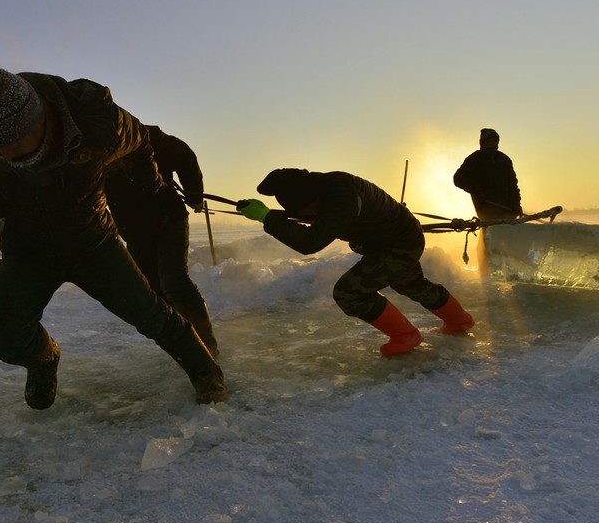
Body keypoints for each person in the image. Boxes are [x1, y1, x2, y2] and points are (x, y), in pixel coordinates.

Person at [0, 59, 226, 410]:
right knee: (0, 335)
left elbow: (143, 140)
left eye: (14, 142)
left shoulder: (98, 119)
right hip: (27, 248)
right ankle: (43, 359)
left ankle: (207, 373)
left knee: (152, 314)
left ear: (38, 118)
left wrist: (149, 178)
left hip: (93, 242)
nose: (5, 154)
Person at [236, 169, 474, 356]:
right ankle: (459, 320)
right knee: (411, 284)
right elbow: (317, 220)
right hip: (392, 239)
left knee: (349, 292)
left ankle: (406, 335)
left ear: (309, 198)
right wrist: (274, 216)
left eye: (306, 211)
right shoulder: (325, 188)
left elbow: (310, 242)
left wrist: (267, 217)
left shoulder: (341, 197)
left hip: (399, 242)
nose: (308, 216)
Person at [105, 125, 220, 357]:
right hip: (134, 229)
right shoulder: (81, 151)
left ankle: (207, 345)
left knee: (174, 280)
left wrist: (194, 194)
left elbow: (184, 156)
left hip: (168, 217)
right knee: (152, 290)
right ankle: (184, 341)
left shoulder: (141, 135)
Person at [453, 128, 523, 220]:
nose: (493, 144)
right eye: (490, 141)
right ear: (483, 143)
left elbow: (513, 185)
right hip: (486, 209)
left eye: (495, 141)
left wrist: (516, 205)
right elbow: (458, 178)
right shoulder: (475, 159)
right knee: (491, 231)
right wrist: (477, 191)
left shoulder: (504, 160)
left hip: (508, 210)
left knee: (510, 231)